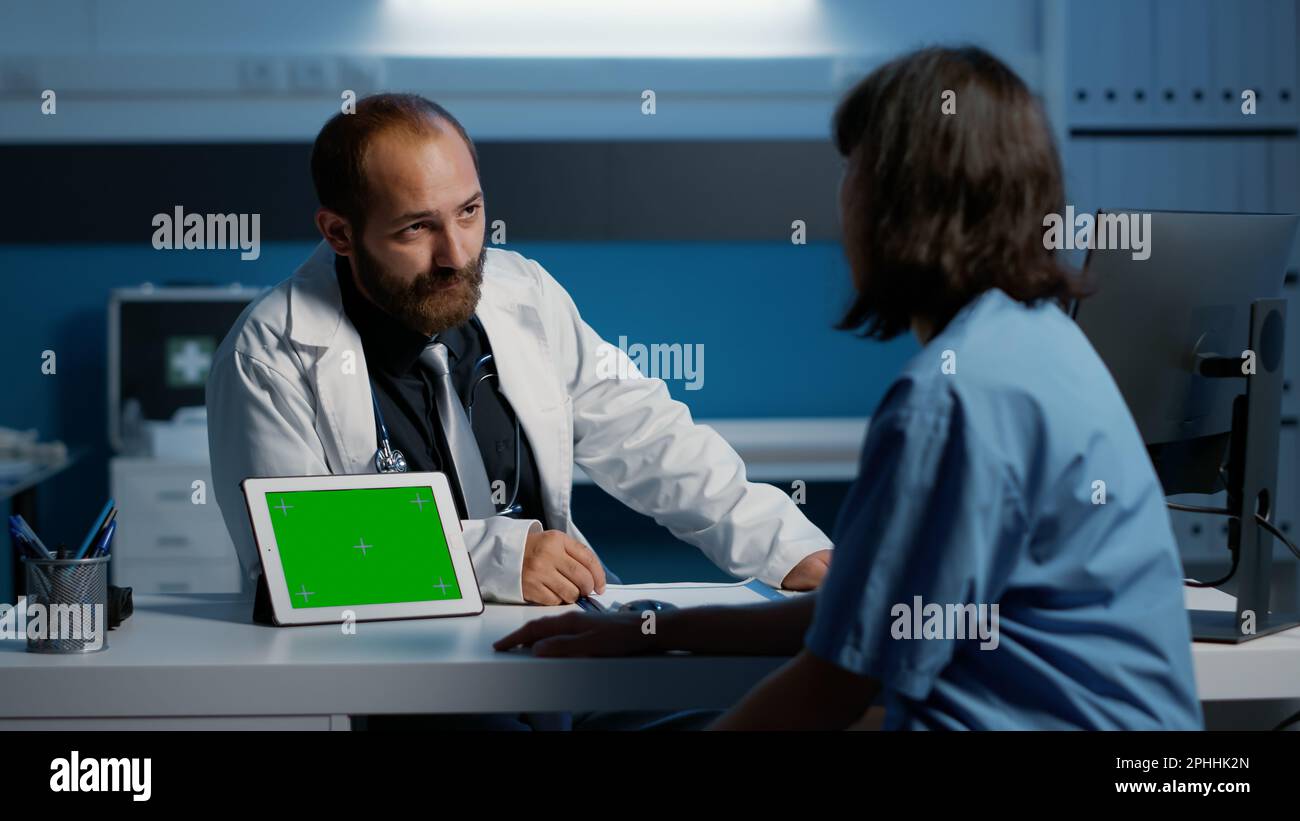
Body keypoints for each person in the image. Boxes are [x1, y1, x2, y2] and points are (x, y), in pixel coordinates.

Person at [494, 46, 1204, 730]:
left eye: (854, 167)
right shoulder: (1039, 344)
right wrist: (657, 631)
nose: (841, 198)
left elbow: (832, 685)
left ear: (905, 200)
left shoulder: (950, 401)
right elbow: (867, 616)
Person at [206, 94, 833, 606]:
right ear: (340, 233)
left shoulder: (522, 292)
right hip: (396, 677)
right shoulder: (270, 354)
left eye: (470, 212)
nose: (457, 255)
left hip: (558, 643)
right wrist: (500, 560)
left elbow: (649, 437)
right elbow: (300, 555)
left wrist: (792, 550)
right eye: (416, 228)